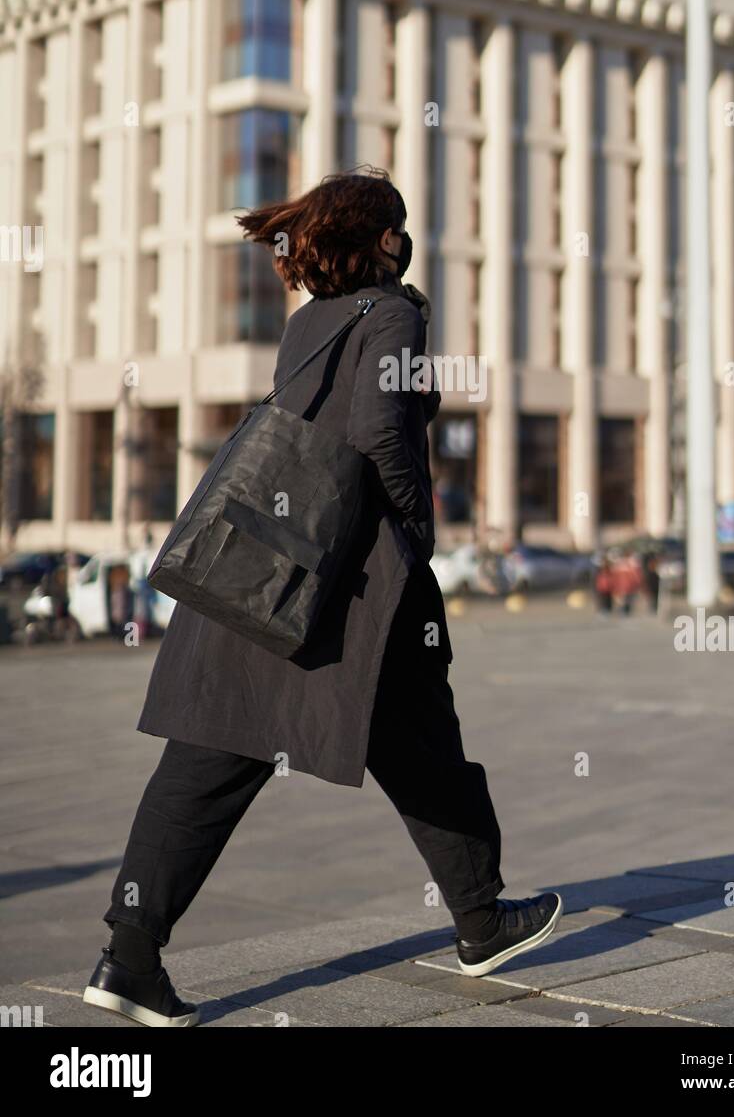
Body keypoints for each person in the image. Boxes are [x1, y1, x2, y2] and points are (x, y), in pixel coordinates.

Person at [83, 169, 561, 1028]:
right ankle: (482, 921)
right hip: (358, 587)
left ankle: (128, 957)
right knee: (424, 745)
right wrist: (416, 527)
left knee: (206, 763)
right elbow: (380, 432)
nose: (406, 240)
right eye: (399, 227)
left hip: (263, 575)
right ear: (379, 238)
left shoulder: (311, 322)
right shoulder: (398, 314)